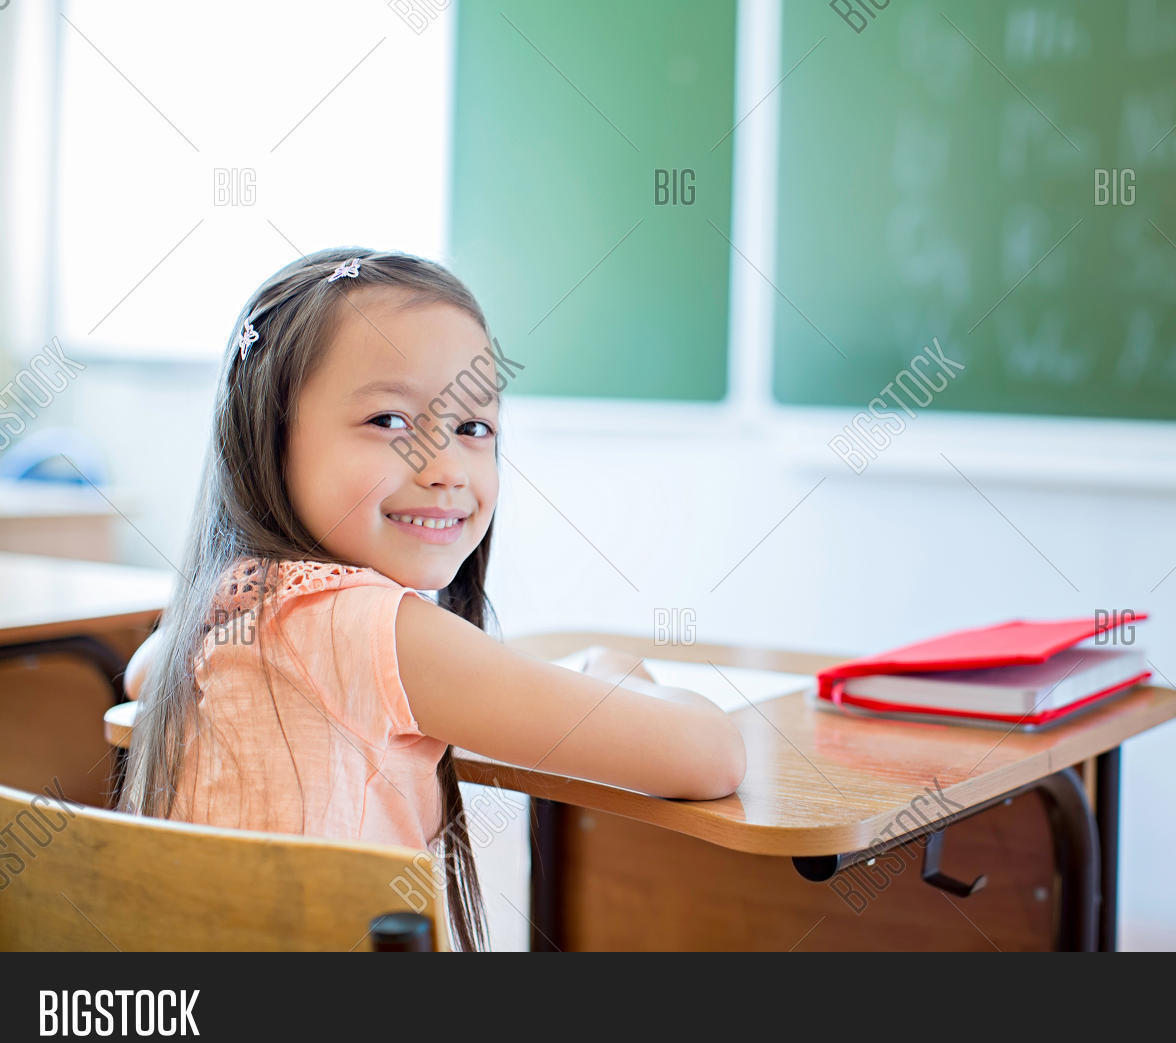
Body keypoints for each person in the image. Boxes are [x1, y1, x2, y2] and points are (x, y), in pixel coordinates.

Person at [121, 248, 746, 951]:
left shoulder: (238, 602)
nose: (445, 468)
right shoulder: (370, 626)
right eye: (390, 420)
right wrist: (617, 674)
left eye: (473, 429)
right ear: (267, 436)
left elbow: (145, 672)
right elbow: (713, 757)